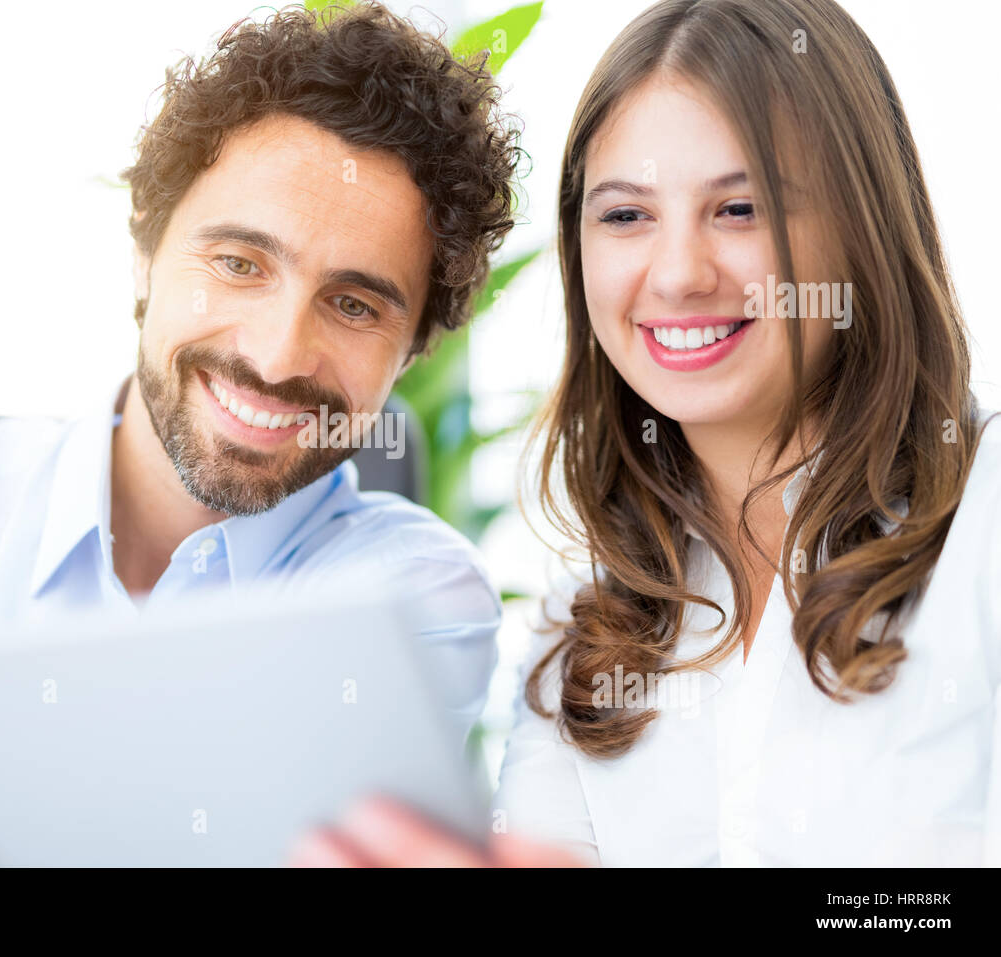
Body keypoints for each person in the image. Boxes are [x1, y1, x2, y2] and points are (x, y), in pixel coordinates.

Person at [0, 2, 521, 866]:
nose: (279, 357)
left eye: (354, 305)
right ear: (145, 248)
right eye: (239, 264)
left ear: (414, 351)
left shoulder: (413, 608)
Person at [293, 0, 1000, 867]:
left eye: (740, 209)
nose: (677, 274)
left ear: (862, 226)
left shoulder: (982, 525)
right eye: (626, 216)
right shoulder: (586, 630)